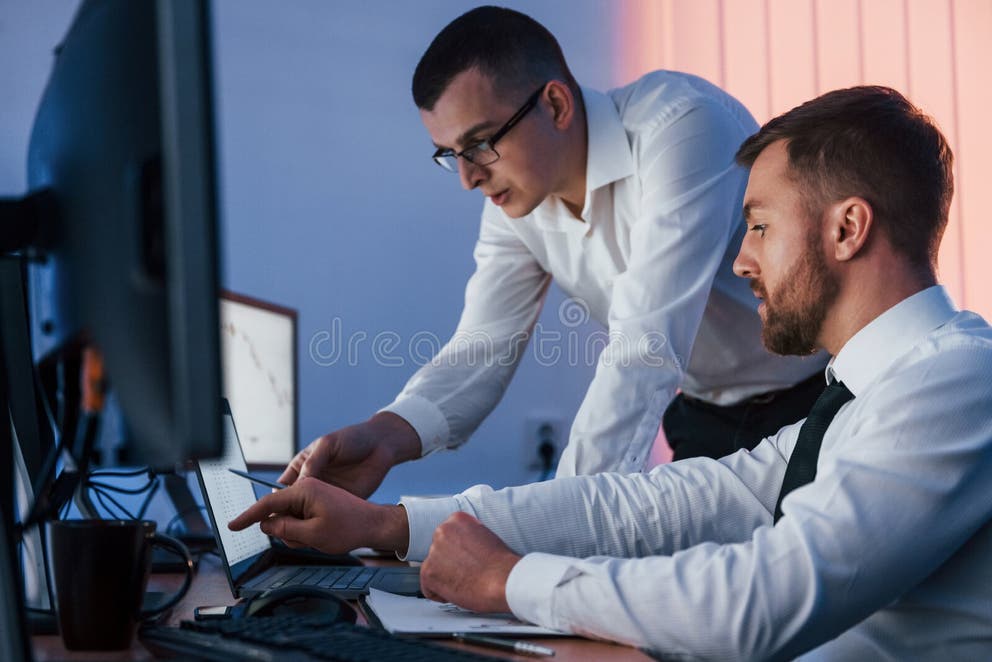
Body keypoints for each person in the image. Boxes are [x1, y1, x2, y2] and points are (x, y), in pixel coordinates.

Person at [232, 86, 992, 659]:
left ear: (847, 228)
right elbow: (675, 503)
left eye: (758, 225)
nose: (739, 260)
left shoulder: (953, 384)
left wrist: (515, 580)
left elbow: (758, 602)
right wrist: (393, 525)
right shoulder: (869, 398)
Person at [281, 6, 826, 497]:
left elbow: (644, 346)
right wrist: (384, 436)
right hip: (703, 415)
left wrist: (559, 518)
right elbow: (482, 347)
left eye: (479, 144)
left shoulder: (683, 126)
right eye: (450, 155)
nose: (468, 178)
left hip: (812, 400)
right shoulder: (513, 205)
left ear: (557, 103)